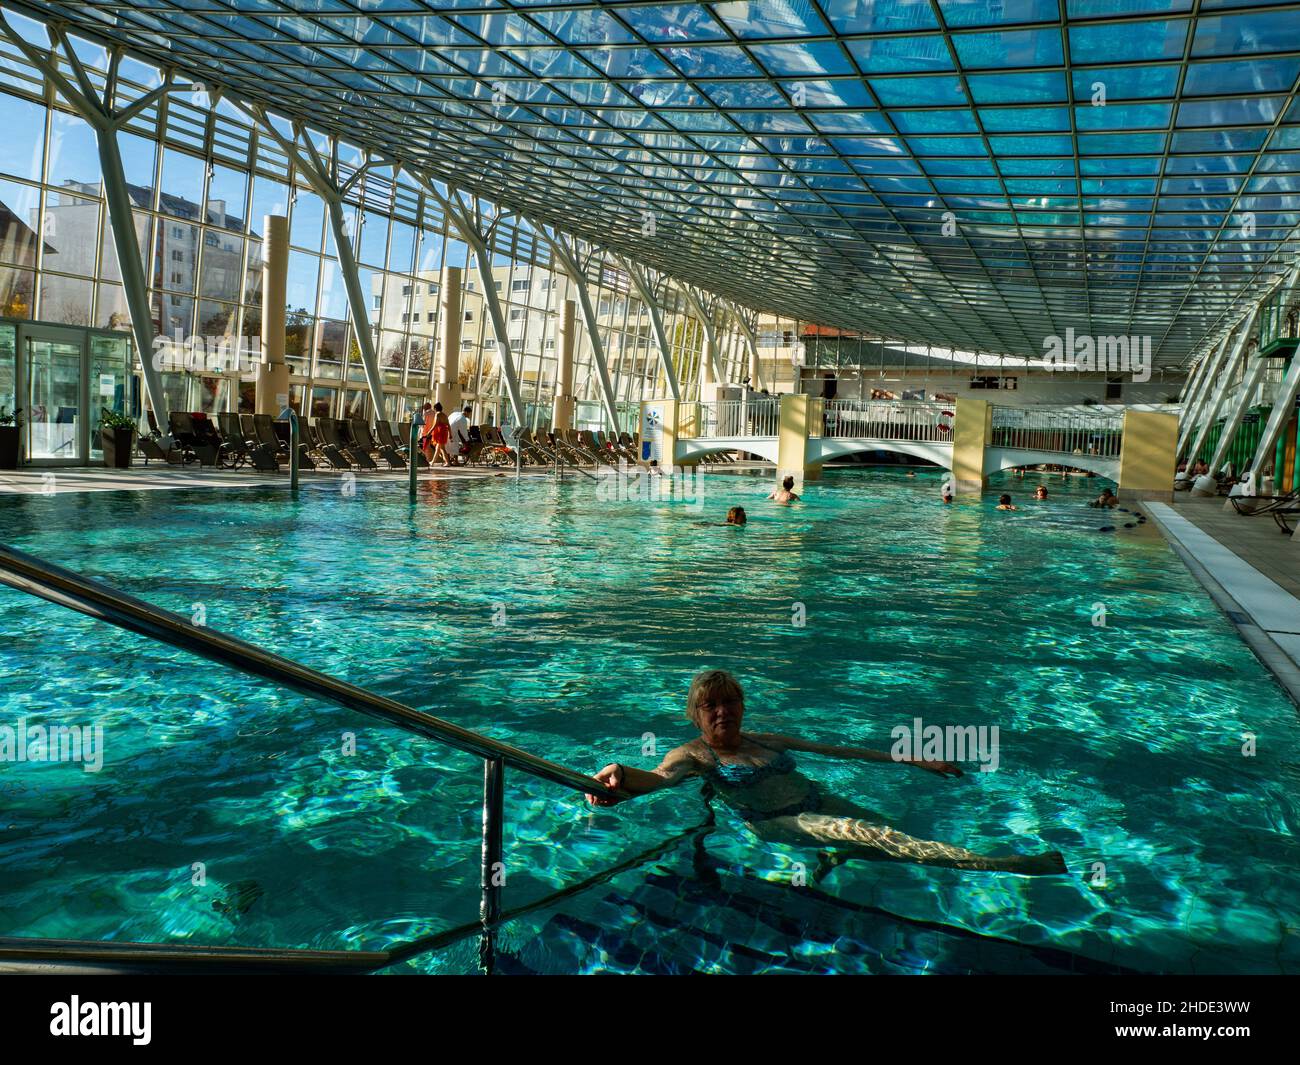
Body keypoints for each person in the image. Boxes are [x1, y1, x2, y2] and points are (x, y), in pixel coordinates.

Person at [586, 671, 1066, 876]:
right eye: (710, 705)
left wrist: (918, 759)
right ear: (695, 714)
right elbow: (659, 778)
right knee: (872, 834)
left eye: (730, 701)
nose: (722, 711)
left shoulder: (767, 740)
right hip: (776, 822)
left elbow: (843, 750)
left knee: (891, 834)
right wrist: (620, 777)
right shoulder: (692, 755)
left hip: (817, 802)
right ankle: (1006, 866)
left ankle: (842, 856)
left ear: (742, 705)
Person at [428, 402, 451, 466]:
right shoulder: (444, 415)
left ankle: (447, 462)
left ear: (435, 408)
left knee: (442, 448)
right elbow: (448, 425)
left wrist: (429, 432)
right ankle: (432, 462)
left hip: (439, 432)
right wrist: (450, 434)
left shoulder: (437, 415)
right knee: (438, 448)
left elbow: (435, 425)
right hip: (444, 431)